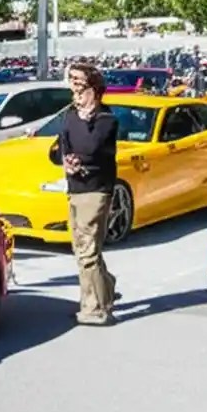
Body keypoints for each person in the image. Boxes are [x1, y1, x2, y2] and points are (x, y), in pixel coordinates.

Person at [49, 62, 119, 326]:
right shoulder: (70, 116)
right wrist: (64, 160)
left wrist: (82, 120)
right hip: (75, 188)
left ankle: (96, 309)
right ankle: (104, 287)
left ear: (95, 92)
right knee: (81, 249)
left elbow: (90, 147)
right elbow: (59, 148)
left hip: (96, 190)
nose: (76, 95)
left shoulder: (106, 120)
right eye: (74, 89)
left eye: (81, 89)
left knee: (88, 252)